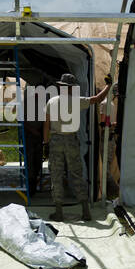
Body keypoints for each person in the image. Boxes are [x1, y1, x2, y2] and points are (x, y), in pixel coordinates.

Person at [42, 72, 111, 222]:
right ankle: (85, 211)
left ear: (60, 87)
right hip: (71, 140)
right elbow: (98, 99)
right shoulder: (76, 101)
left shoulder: (51, 102)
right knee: (77, 174)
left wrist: (45, 143)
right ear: (72, 89)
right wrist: (108, 85)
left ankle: (59, 212)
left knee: (56, 175)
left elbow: (46, 125)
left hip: (55, 141)